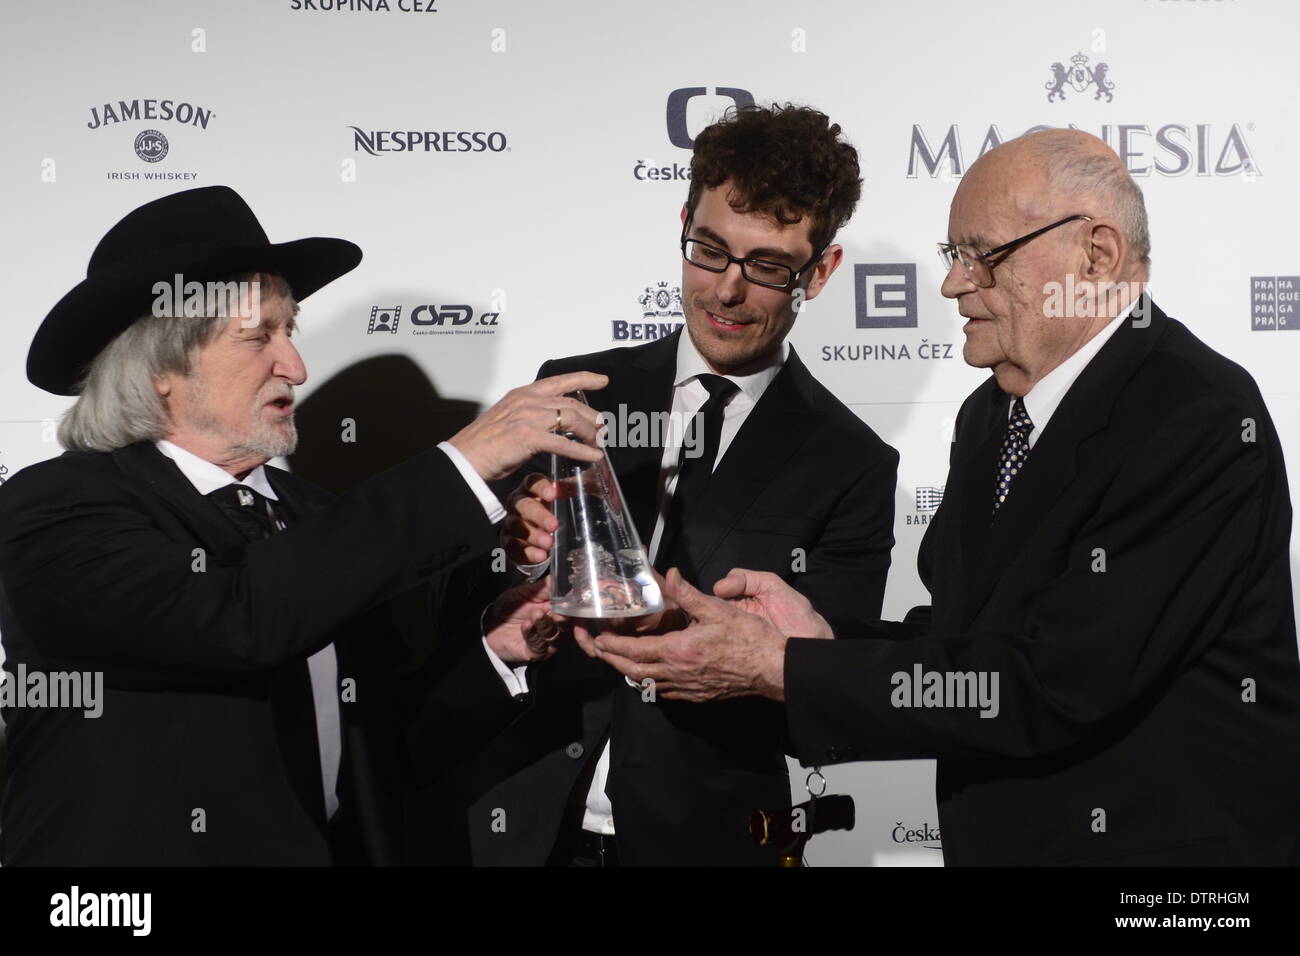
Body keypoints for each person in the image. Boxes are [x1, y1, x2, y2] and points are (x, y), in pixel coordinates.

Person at [583, 129, 1300, 866]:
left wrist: (783, 669)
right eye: (952, 256)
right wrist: (817, 642)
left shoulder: (1194, 417)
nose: (955, 285)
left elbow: (1049, 685)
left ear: (1098, 256)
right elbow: (963, 643)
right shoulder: (991, 415)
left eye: (981, 256)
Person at [0, 185, 606, 865]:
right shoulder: (54, 509)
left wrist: (494, 649)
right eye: (259, 337)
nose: (296, 366)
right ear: (162, 368)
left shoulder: (315, 517)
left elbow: (384, 752)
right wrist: (462, 464)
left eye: (291, 333)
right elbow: (240, 621)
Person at [432, 104, 898, 866]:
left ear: (821, 271)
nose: (728, 291)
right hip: (516, 820)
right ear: (683, 220)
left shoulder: (853, 463)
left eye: (769, 266)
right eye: (709, 250)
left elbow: (818, 698)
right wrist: (513, 554)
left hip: (703, 841)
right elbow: (454, 616)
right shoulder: (574, 390)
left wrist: (712, 647)